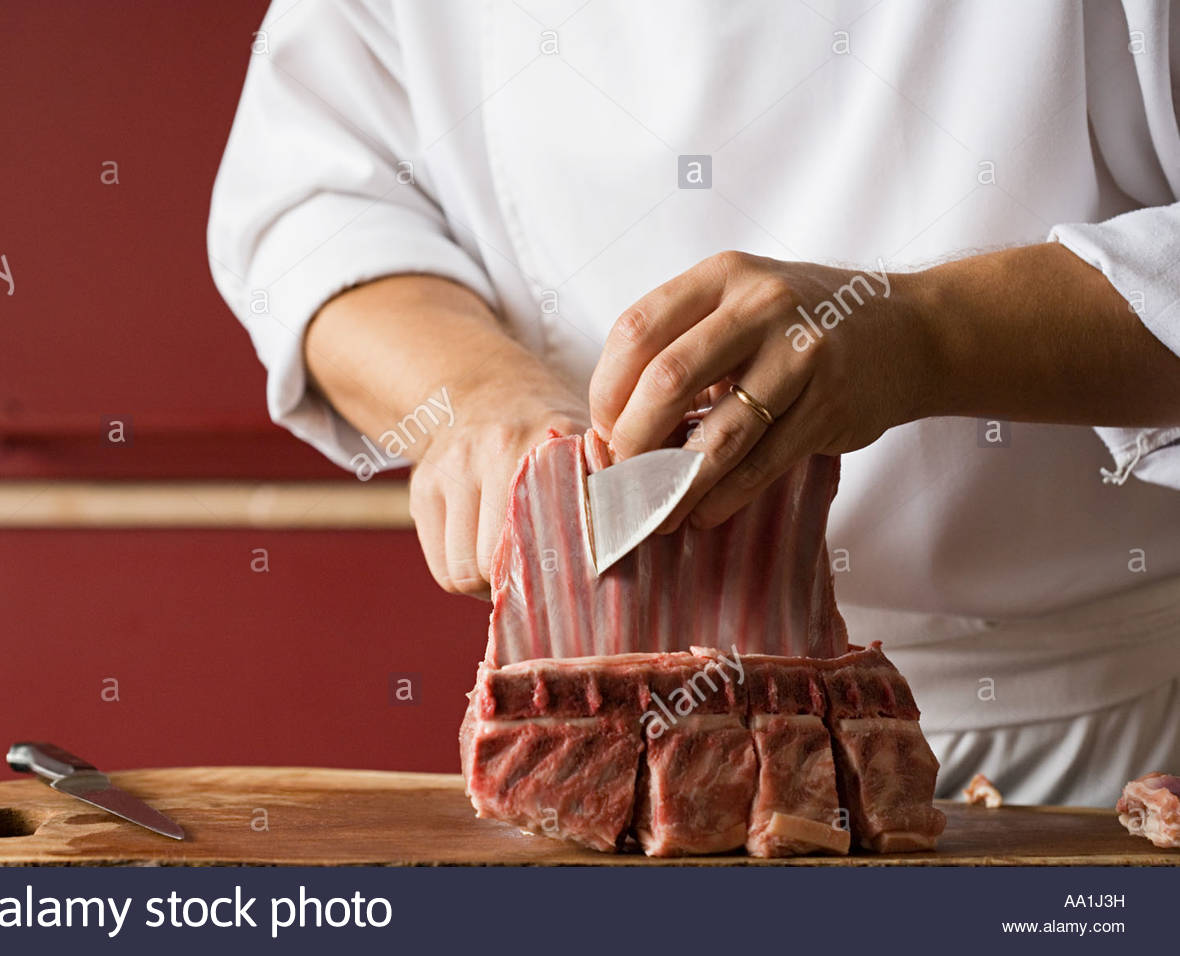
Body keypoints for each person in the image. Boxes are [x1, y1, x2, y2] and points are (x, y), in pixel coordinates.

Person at [208, 0, 1180, 806]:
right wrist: (472, 391)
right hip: (604, 745)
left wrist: (925, 333)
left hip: (1082, 744)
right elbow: (308, 203)